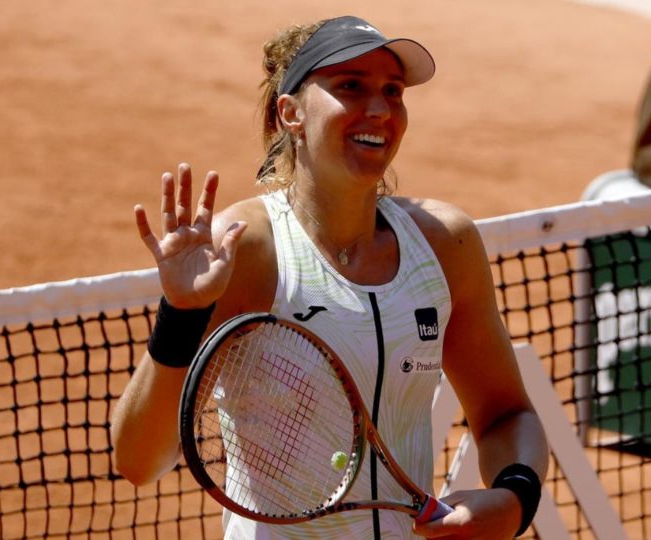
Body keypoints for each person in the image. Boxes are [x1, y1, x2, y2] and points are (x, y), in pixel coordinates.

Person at [110, 15, 549, 539]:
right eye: (351, 86)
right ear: (290, 112)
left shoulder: (443, 246)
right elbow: (139, 460)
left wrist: (515, 497)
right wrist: (181, 315)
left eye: (393, 90)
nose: (380, 109)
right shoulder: (246, 248)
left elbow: (505, 414)